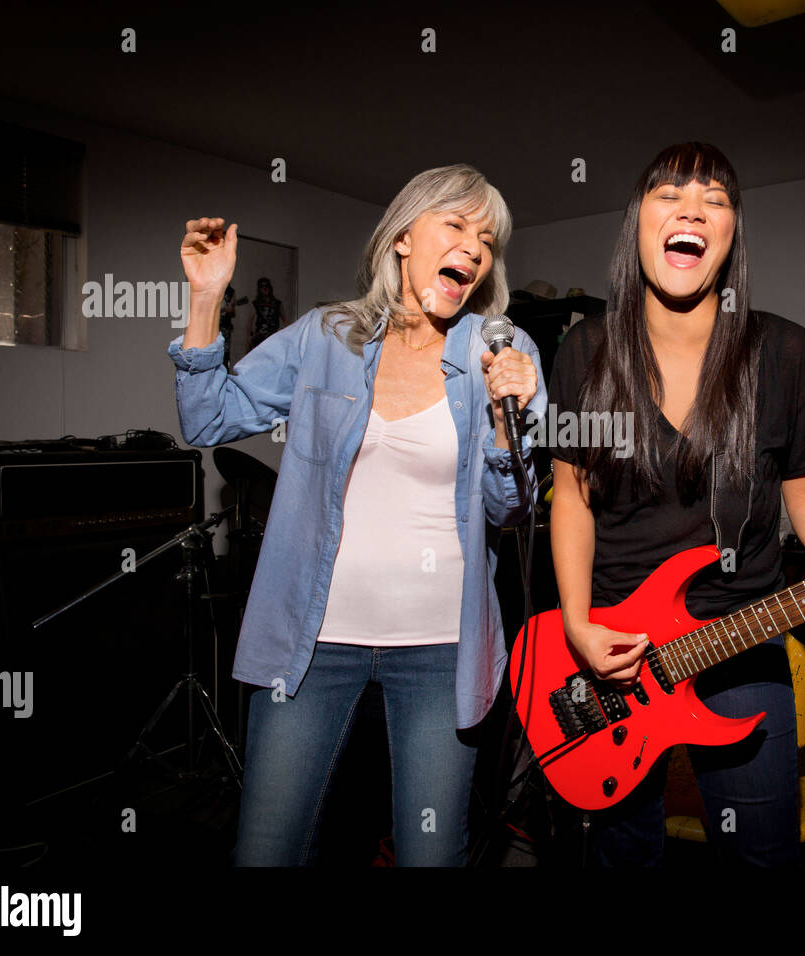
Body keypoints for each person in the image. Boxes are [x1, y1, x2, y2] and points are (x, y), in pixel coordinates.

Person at [167, 164, 546, 866]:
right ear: (404, 237)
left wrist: (506, 419)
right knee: (266, 851)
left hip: (440, 651)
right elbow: (207, 417)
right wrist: (206, 297)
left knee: (430, 855)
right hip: (312, 646)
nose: (473, 247)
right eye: (456, 226)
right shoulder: (325, 338)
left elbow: (512, 507)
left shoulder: (502, 351)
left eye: (487, 240)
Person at [546, 142, 805, 866]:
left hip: (743, 635)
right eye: (669, 194)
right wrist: (577, 624)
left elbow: (803, 485)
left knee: (761, 853)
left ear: (732, 235)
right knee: (623, 855)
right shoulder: (585, 350)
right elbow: (572, 495)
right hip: (615, 652)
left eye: (716, 199)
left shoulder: (786, 353)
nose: (692, 209)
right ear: (637, 221)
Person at [247, 277, 286, 351]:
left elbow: (285, 320)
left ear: (270, 287)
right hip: (260, 336)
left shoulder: (277, 303)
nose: (265, 288)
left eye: (266, 286)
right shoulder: (256, 303)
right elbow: (250, 322)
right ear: (259, 289)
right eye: (262, 286)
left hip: (274, 336)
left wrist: (284, 333)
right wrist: (250, 336)